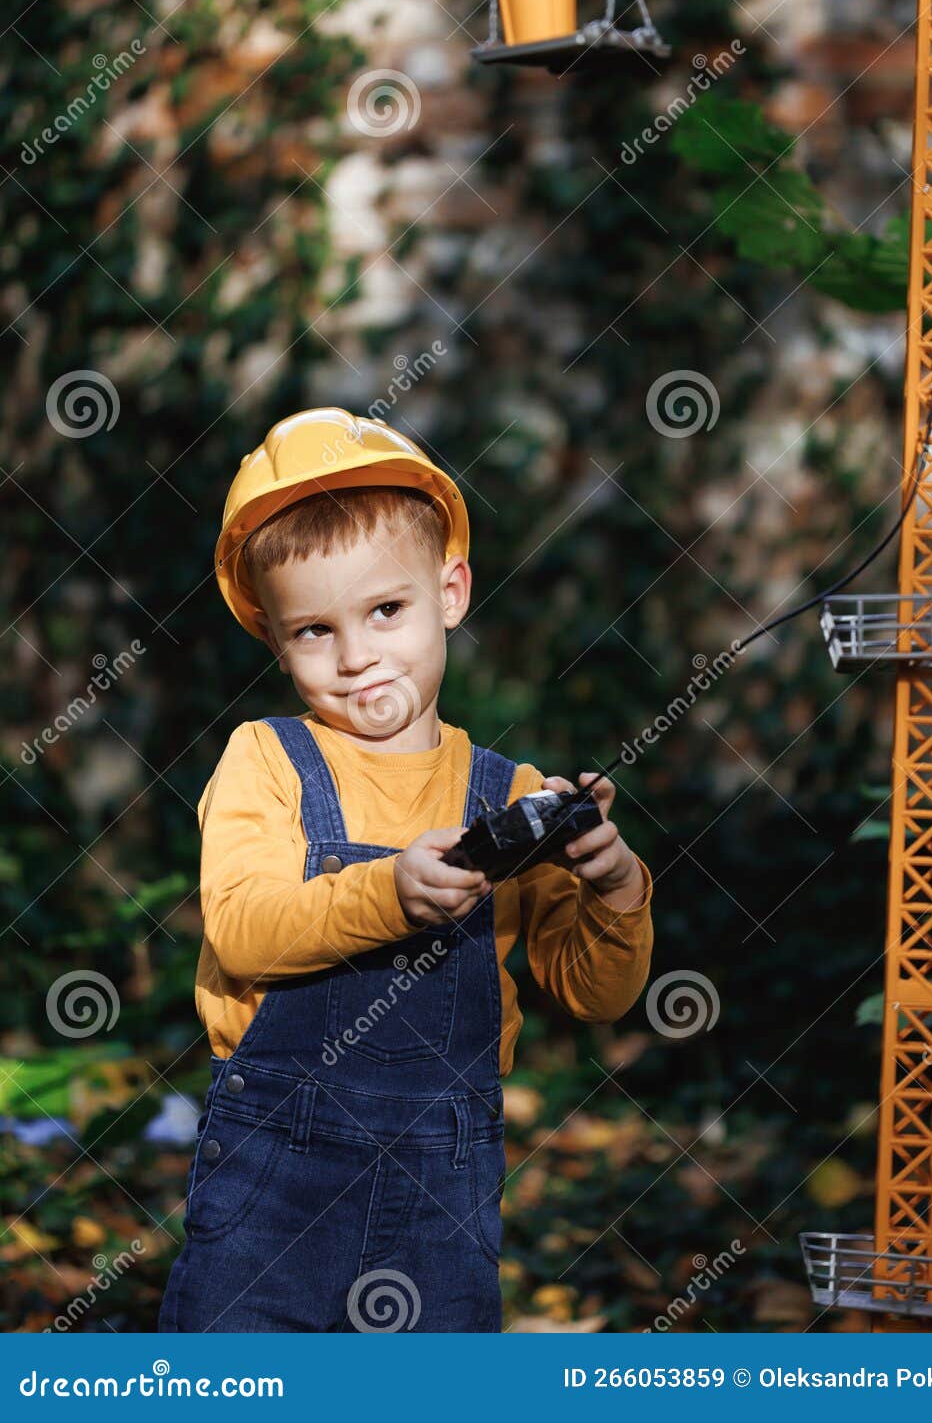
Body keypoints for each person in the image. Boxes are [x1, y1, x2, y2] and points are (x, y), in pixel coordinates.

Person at [158, 407, 653, 1333]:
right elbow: (243, 928)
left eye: (386, 610)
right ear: (273, 634)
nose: (354, 659)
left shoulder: (509, 794)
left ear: (451, 590)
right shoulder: (266, 759)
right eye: (313, 631)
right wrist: (390, 892)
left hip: (441, 1183)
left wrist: (614, 888)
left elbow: (597, 996)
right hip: (275, 1182)